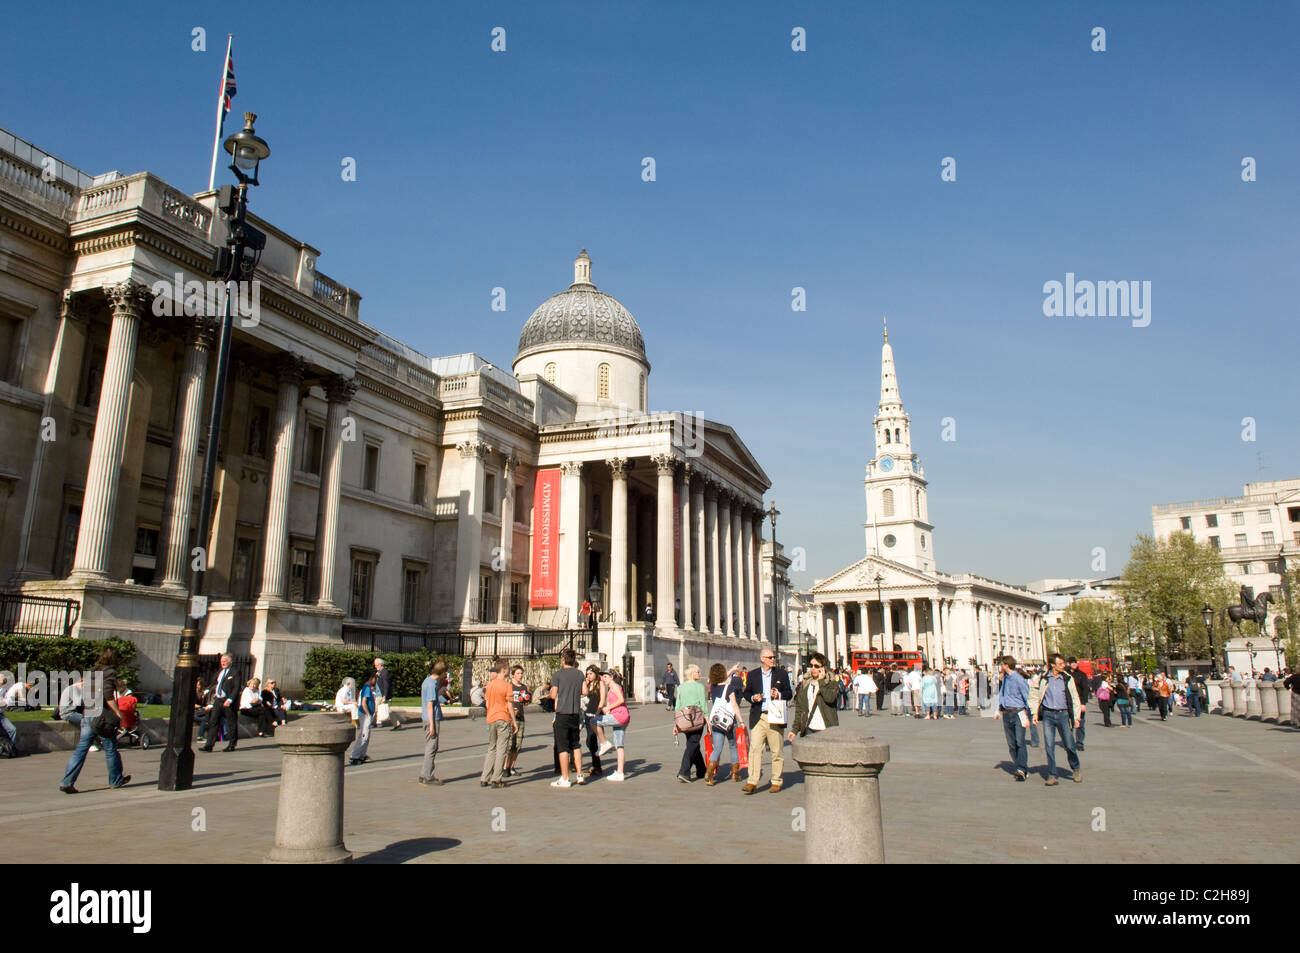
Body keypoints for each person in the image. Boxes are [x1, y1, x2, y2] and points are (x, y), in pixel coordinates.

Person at [59, 649, 130, 793]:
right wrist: (118, 713)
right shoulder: (110, 672)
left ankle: (67, 781)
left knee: (81, 749)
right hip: (101, 717)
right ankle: (116, 780)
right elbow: (108, 694)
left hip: (88, 713)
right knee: (110, 748)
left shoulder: (91, 671)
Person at [742, 647, 793, 794]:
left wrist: (779, 694)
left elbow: (789, 693)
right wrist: (753, 698)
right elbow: (747, 693)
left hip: (775, 715)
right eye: (770, 657)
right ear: (762, 659)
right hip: (759, 715)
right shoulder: (752, 675)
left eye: (773, 657)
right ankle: (752, 781)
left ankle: (776, 780)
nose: (773, 660)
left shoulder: (781, 674)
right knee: (755, 749)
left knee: (776, 750)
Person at [1030, 653, 1082, 785]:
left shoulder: (1067, 678)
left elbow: (1075, 698)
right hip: (1048, 715)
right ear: (1053, 665)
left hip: (1063, 714)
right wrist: (1034, 713)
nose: (1063, 666)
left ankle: (1075, 768)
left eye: (1063, 663)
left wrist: (1076, 717)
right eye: (1060, 664)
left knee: (1069, 745)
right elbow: (1034, 695)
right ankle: (1052, 774)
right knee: (1049, 745)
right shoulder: (1042, 678)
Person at [549, 648, 585, 788]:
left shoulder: (558, 675)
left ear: (563, 659)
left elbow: (553, 695)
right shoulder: (579, 674)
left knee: (563, 747)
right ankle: (580, 774)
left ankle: (565, 778)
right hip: (575, 713)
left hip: (562, 713)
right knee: (575, 744)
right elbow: (584, 691)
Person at [479, 661, 516, 789]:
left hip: (491, 717)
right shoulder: (507, 685)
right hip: (503, 717)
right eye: (508, 669)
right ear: (504, 670)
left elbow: (487, 703)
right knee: (501, 749)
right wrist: (514, 720)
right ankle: (496, 779)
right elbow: (510, 704)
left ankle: (484, 777)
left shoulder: (490, 685)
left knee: (491, 747)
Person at [787, 652, 839, 743]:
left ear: (823, 668)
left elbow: (829, 698)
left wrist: (821, 682)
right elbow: (800, 708)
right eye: (811, 665)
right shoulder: (805, 683)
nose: (813, 668)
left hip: (826, 728)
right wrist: (794, 730)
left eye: (816, 666)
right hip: (809, 728)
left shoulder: (831, 682)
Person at [705, 663, 743, 784]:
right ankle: (735, 774)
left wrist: (732, 669)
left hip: (716, 722)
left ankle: (709, 774)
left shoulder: (713, 687)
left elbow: (720, 678)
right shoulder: (729, 688)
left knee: (717, 749)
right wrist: (741, 721)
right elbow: (734, 705)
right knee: (733, 747)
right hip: (729, 722)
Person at [996, 656, 1031, 782]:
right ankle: (1019, 766)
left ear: (1006, 665)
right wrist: (997, 710)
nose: (1000, 667)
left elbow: (1026, 696)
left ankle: (1021, 768)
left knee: (1020, 742)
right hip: (1007, 713)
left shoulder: (1018, 679)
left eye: (1001, 665)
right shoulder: (1004, 678)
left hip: (1018, 712)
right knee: (1011, 744)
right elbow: (1001, 694)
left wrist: (1028, 715)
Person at [672, 663, 708, 783]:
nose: (699, 674)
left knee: (693, 744)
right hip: (697, 719)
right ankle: (684, 771)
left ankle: (701, 770)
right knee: (692, 744)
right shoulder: (700, 687)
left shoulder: (681, 687)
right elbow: (703, 705)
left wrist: (675, 725)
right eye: (698, 672)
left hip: (684, 720)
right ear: (693, 673)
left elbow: (677, 707)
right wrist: (708, 721)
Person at [201, 654, 240, 752]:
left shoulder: (235, 672)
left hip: (227, 701)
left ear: (230, 661)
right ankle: (209, 745)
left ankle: (232, 744)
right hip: (218, 700)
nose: (223, 662)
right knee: (213, 722)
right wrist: (207, 690)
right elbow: (214, 683)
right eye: (222, 660)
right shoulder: (220, 671)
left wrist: (230, 699)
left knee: (231, 723)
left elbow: (236, 687)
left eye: (225, 660)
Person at [595, 671, 629, 780]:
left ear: (611, 677)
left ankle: (604, 743)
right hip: (623, 716)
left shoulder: (614, 686)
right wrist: (608, 710)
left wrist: (609, 708)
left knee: (594, 721)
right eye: (602, 677)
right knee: (619, 745)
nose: (603, 679)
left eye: (606, 677)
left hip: (620, 715)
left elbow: (621, 700)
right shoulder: (611, 687)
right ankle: (620, 772)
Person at [418, 660, 446, 785]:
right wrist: (432, 725)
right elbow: (430, 705)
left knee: (432, 747)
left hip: (429, 718)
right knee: (432, 747)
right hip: (431, 719)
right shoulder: (431, 684)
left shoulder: (428, 681)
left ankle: (425, 773)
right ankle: (427, 776)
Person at [506, 665, 531, 777]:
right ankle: (505, 767)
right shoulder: (509, 686)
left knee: (518, 745)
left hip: (520, 717)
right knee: (509, 744)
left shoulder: (523, 687)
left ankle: (512, 767)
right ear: (513, 674)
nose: (520, 676)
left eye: (521, 673)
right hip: (510, 718)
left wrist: (527, 700)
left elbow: (525, 702)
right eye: (518, 673)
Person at [581, 665, 605, 779]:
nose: (588, 676)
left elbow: (602, 700)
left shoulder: (600, 684)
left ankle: (597, 767)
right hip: (587, 714)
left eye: (590, 674)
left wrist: (598, 712)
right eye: (587, 674)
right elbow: (584, 693)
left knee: (591, 741)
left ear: (596, 673)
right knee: (589, 741)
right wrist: (585, 682)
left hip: (595, 715)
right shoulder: (589, 684)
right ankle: (595, 764)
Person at [350, 674, 377, 765]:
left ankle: (362, 754)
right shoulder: (366, 688)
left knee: (367, 736)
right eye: (375, 678)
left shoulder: (368, 688)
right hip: (365, 715)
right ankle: (354, 756)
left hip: (367, 714)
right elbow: (363, 703)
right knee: (363, 736)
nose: (376, 681)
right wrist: (368, 714)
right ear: (371, 678)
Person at [1067, 658, 1090, 750]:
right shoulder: (1065, 675)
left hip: (1079, 702)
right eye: (1072, 663)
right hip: (1068, 703)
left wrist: (1083, 703)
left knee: (1080, 723)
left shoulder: (1081, 675)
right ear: (1068, 664)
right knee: (1068, 724)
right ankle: (1070, 742)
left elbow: (1085, 689)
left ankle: (1080, 743)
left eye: (1075, 662)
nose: (1074, 664)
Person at [373, 658, 400, 730]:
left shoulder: (384, 672)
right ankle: (397, 724)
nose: (375, 666)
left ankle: (367, 724)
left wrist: (385, 695)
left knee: (375, 709)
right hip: (379, 694)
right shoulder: (379, 672)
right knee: (387, 710)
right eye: (375, 665)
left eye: (376, 665)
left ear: (380, 664)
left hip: (381, 695)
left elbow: (386, 684)